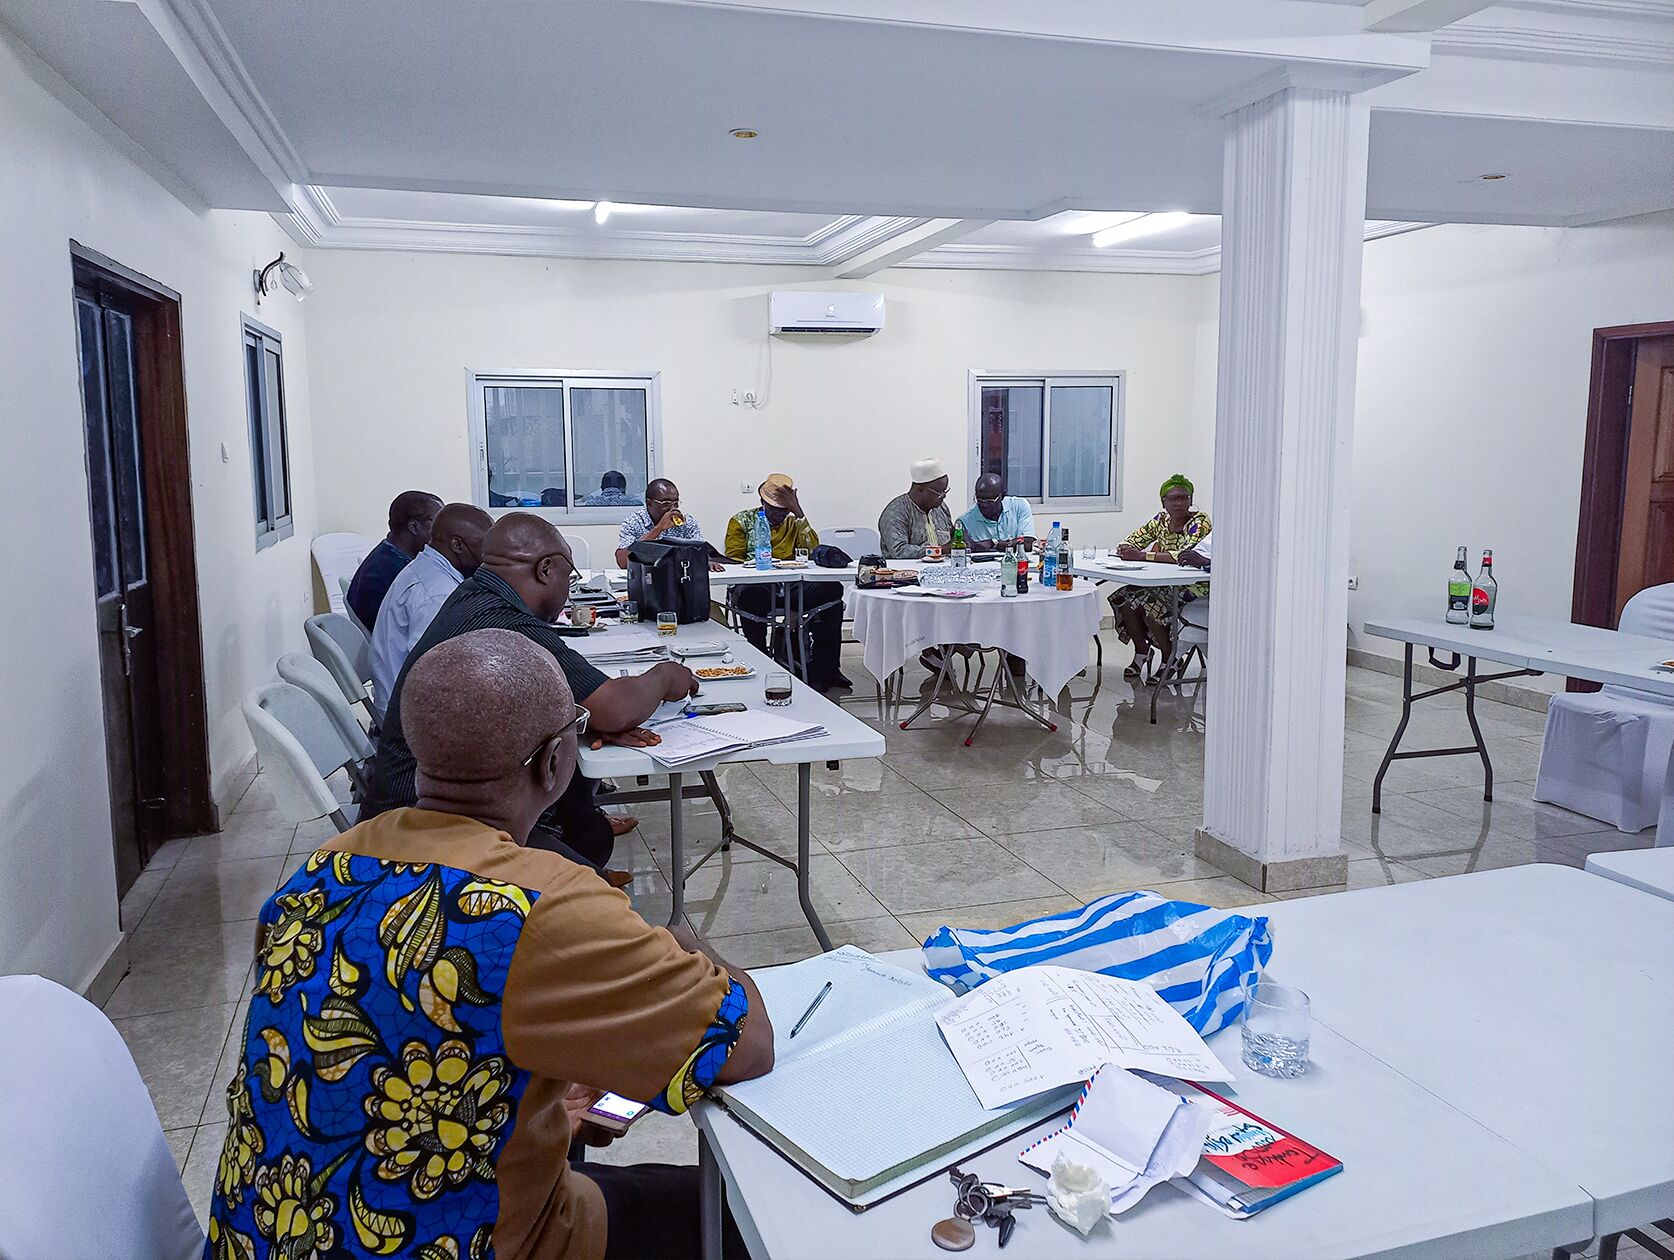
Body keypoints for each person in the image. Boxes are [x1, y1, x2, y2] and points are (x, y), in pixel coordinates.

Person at [203, 628, 772, 1260]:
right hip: (457, 1243)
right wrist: (696, 948)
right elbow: (744, 1044)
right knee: (751, 1214)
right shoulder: (543, 906)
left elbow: (372, 1054)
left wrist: (538, 1107)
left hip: (275, 1233)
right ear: (556, 761)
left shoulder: (317, 873)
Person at [360, 513, 699, 870]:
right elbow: (615, 707)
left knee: (581, 811)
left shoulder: (472, 594)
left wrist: (584, 717)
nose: (567, 589)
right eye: (568, 578)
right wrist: (665, 676)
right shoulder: (507, 619)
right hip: (426, 832)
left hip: (410, 811)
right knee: (584, 845)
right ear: (545, 570)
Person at [723, 474, 848, 692]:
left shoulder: (793, 522)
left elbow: (812, 551)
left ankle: (826, 669)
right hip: (757, 584)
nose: (780, 513)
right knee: (751, 595)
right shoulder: (741, 521)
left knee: (831, 589)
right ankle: (759, 661)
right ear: (763, 502)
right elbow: (733, 559)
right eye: (775, 508)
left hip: (790, 584)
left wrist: (798, 512)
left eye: (784, 509)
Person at [369, 503, 492, 710]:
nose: (489, 555)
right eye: (485, 546)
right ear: (458, 545)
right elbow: (437, 673)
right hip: (407, 717)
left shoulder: (427, 567)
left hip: (402, 700)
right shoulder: (436, 595)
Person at [1110, 474, 1211, 676]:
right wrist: (1127, 549)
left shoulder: (1199, 522)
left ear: (1191, 500)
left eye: (1184, 498)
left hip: (1193, 585)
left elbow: (1184, 555)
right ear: (1163, 502)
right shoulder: (1161, 520)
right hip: (1163, 582)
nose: (1179, 503)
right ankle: (1142, 651)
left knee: (1148, 603)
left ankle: (1170, 657)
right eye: (1173, 499)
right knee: (1123, 598)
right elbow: (1131, 541)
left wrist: (1141, 555)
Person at [346, 490, 442, 630]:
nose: (442, 531)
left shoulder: (388, 556)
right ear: (414, 527)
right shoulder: (390, 573)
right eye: (437, 523)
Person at [614, 477, 723, 572]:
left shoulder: (686, 521)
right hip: (646, 580)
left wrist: (706, 560)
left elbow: (700, 549)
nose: (673, 508)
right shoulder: (634, 522)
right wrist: (658, 529)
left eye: (676, 503)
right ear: (649, 503)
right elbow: (623, 563)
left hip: (679, 580)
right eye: (666, 504)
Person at [877, 458, 954, 559]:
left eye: (945, 491)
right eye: (939, 493)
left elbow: (951, 538)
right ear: (920, 490)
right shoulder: (896, 512)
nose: (944, 496)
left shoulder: (941, 508)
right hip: (906, 572)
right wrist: (941, 550)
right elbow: (900, 551)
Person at [956, 473, 1036, 552]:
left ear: (1002, 496)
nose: (984, 504)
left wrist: (994, 544)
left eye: (990, 500)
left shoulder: (1019, 506)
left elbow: (1027, 543)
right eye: (980, 499)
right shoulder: (964, 522)